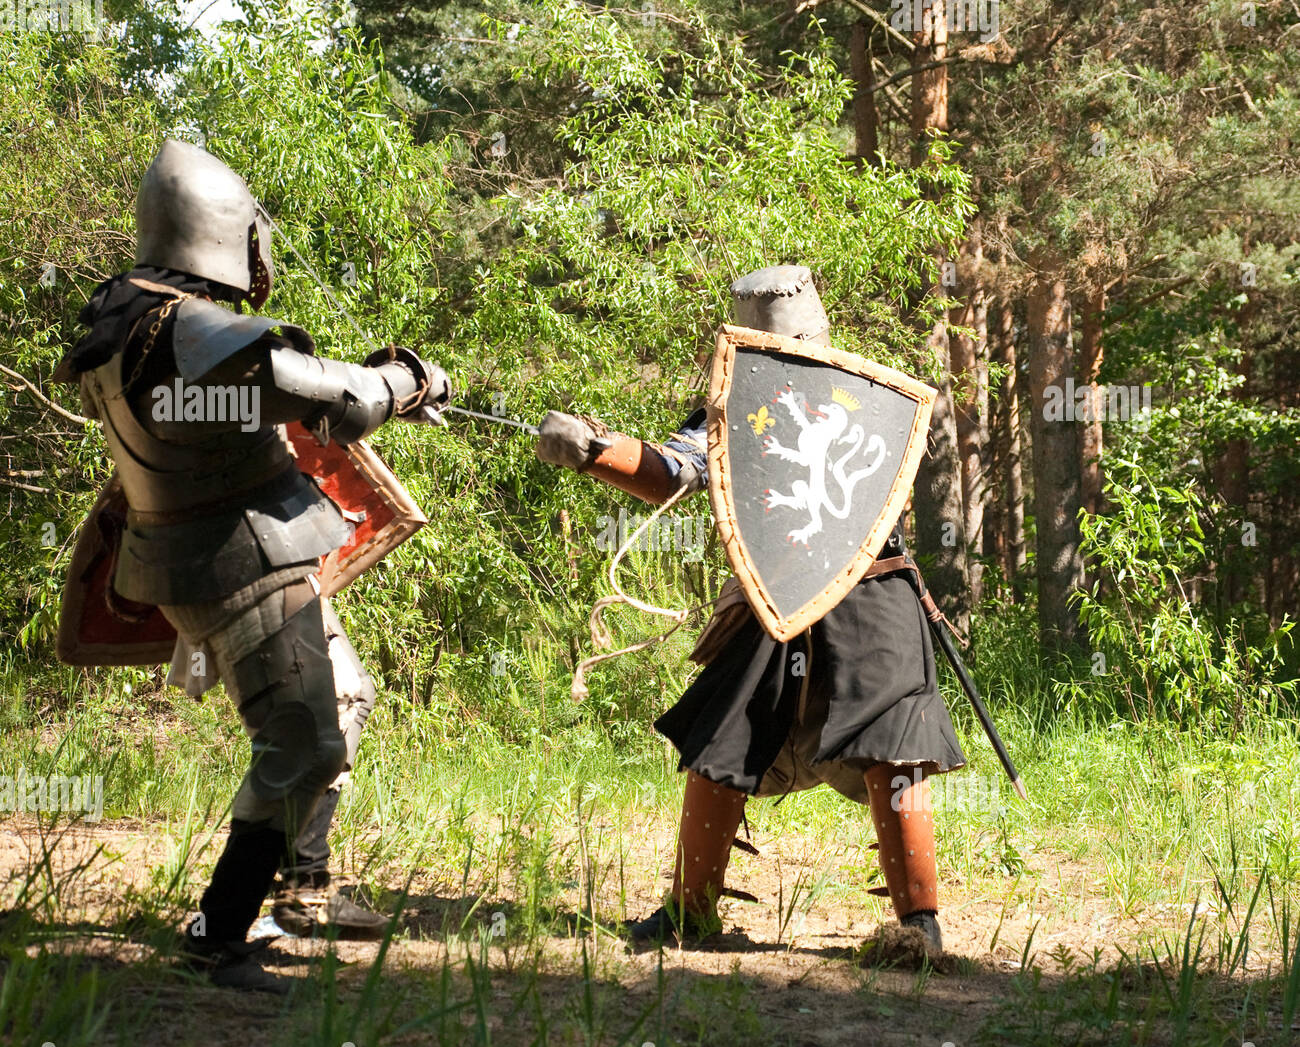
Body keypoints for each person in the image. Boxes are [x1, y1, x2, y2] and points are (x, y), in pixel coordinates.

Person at [55, 139, 450, 989]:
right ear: (225, 234)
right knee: (300, 738)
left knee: (343, 698)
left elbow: (271, 396)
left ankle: (303, 882)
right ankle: (217, 932)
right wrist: (409, 380)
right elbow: (330, 397)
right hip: (242, 560)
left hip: (207, 557)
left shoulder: (125, 325)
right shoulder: (189, 331)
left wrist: (369, 385)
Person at [534, 265, 964, 952]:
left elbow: (892, 466)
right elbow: (674, 471)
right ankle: (689, 911)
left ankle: (921, 926)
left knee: (898, 742)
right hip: (776, 588)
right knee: (723, 734)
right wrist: (597, 451)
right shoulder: (733, 405)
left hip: (874, 582)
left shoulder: (867, 397)